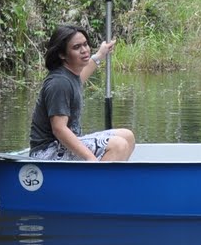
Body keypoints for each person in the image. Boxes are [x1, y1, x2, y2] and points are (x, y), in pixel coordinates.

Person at [28, 24, 136, 161]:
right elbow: (59, 129)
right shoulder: (59, 83)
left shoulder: (70, 76)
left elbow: (80, 79)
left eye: (85, 44)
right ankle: (97, 181)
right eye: (76, 47)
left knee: (127, 136)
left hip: (61, 146)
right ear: (62, 54)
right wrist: (91, 159)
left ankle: (107, 179)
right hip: (47, 152)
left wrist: (100, 55)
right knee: (118, 145)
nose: (84, 50)